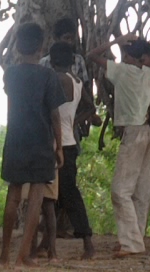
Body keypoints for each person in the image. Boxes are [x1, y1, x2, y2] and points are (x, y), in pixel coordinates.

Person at [86, 32, 150, 257]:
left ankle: (132, 243)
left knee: (120, 190)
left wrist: (116, 41)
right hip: (147, 133)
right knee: (141, 190)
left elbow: (91, 54)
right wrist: (149, 105)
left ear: (128, 55)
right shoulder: (148, 74)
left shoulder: (121, 71)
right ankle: (135, 238)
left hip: (133, 134)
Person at [0, 22, 66, 265]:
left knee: (13, 194)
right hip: (40, 140)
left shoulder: (11, 74)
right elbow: (54, 114)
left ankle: (4, 253)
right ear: (41, 48)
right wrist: (59, 146)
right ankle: (22, 255)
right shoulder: (47, 75)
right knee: (36, 199)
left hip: (16, 138)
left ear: (18, 46)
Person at [49, 41, 94, 257]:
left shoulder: (57, 80)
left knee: (64, 194)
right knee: (61, 194)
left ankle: (86, 239)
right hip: (69, 141)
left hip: (58, 144)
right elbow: (90, 107)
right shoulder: (76, 81)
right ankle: (47, 243)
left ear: (52, 60)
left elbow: (52, 112)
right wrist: (74, 122)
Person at [38, 17, 96, 140]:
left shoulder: (78, 60)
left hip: (70, 116)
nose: (69, 42)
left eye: (72, 38)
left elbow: (83, 88)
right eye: (66, 38)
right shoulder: (44, 62)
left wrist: (79, 119)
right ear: (56, 39)